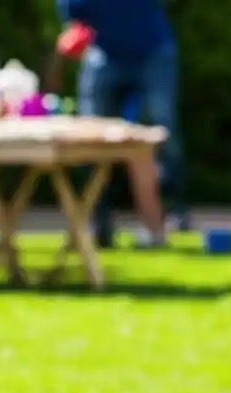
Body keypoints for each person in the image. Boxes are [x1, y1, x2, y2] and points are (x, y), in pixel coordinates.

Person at [56, 0, 182, 250]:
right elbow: (75, 19)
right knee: (90, 136)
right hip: (104, 54)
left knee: (151, 135)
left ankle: (170, 216)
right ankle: (98, 225)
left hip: (153, 50)